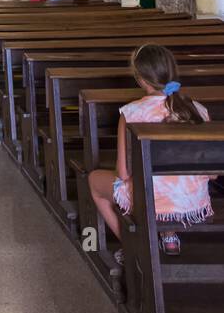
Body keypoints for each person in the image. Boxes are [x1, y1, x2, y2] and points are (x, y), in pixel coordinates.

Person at [88, 45, 211, 262]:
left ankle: (135, 247)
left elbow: (124, 174)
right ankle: (169, 234)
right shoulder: (198, 110)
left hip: (150, 201)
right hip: (193, 202)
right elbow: (211, 174)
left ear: (141, 79)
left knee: (94, 181)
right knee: (167, 182)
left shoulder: (131, 113)